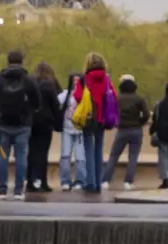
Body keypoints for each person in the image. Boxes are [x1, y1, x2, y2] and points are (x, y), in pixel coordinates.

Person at [0, 49, 40, 199]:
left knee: (2, 157)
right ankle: (18, 190)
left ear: (8, 61)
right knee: (21, 157)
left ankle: (2, 190)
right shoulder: (29, 80)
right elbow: (37, 103)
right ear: (22, 61)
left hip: (2, 123)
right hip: (23, 125)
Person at [76, 52, 118, 193]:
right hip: (103, 118)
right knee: (99, 149)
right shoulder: (106, 79)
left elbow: (77, 96)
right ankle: (99, 183)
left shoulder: (85, 79)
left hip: (88, 117)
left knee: (88, 149)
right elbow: (114, 96)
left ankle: (90, 183)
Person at [104, 74, 150, 190]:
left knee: (114, 156)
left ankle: (105, 180)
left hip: (122, 129)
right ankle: (128, 182)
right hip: (136, 130)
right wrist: (140, 122)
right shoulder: (139, 99)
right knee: (133, 157)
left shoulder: (117, 98)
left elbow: (111, 112)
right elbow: (147, 114)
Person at [26, 62, 61, 194]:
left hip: (31, 121)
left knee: (31, 151)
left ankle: (30, 181)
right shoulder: (50, 84)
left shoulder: (30, 82)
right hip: (46, 122)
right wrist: (59, 123)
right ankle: (42, 181)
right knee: (42, 152)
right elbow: (56, 105)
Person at [58, 72, 86, 191]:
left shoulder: (85, 94)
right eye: (74, 80)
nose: (76, 83)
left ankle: (80, 180)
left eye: (78, 80)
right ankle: (65, 180)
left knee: (80, 156)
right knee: (65, 154)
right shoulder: (65, 94)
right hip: (67, 128)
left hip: (80, 129)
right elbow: (57, 102)